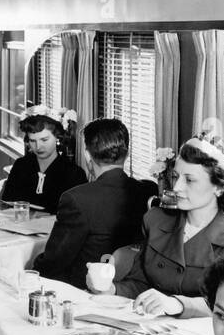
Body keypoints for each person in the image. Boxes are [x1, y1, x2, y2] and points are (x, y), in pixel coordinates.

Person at [105, 136, 224, 317]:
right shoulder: (155, 221)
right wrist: (110, 290)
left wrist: (179, 304)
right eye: (176, 177)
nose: (177, 187)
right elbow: (140, 284)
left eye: (189, 180)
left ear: (219, 188)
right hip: (154, 333)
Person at [34, 119, 155, 289]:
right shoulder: (149, 190)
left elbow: (54, 261)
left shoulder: (76, 199)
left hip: (85, 289)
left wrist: (32, 267)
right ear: (126, 155)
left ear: (87, 156)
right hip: (132, 287)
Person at [0, 114, 86, 214]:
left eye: (44, 140)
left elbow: (76, 213)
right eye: (33, 141)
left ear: (57, 137)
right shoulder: (21, 165)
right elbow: (7, 202)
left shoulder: (74, 173)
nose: (38, 146)